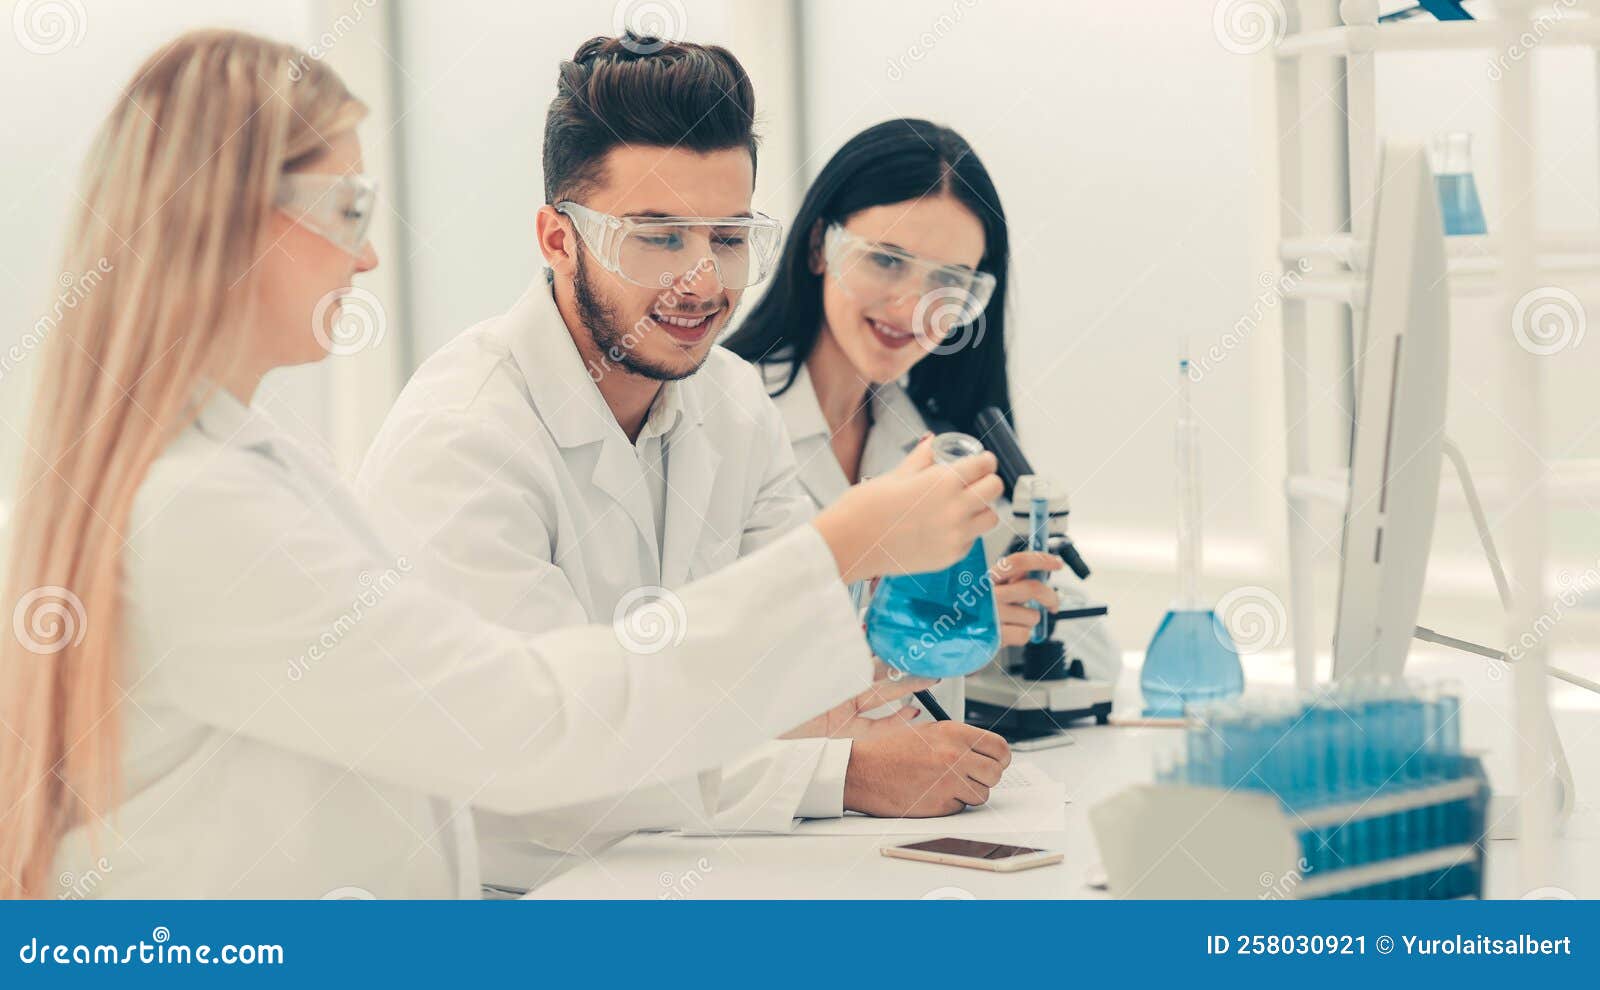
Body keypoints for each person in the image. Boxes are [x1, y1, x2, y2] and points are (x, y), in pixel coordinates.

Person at [0, 30, 1001, 899]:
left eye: (728, 237)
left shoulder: (246, 464)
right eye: (346, 210)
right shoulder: (223, 504)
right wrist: (848, 545)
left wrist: (871, 613)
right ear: (231, 222)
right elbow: (534, 735)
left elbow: (771, 695)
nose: (368, 259)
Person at [358, 36, 1013, 892]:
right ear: (559, 238)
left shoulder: (730, 403)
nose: (703, 282)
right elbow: (543, 763)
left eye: (729, 237)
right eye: (659, 239)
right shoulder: (462, 441)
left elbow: (807, 688)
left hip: (676, 883)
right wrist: (840, 772)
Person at [725, 118, 1121, 728]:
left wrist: (1008, 625)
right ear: (817, 248)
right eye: (886, 260)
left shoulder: (937, 435)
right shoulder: (721, 415)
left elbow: (1097, 655)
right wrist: (901, 613)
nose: (913, 308)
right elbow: (709, 658)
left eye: (948, 281)